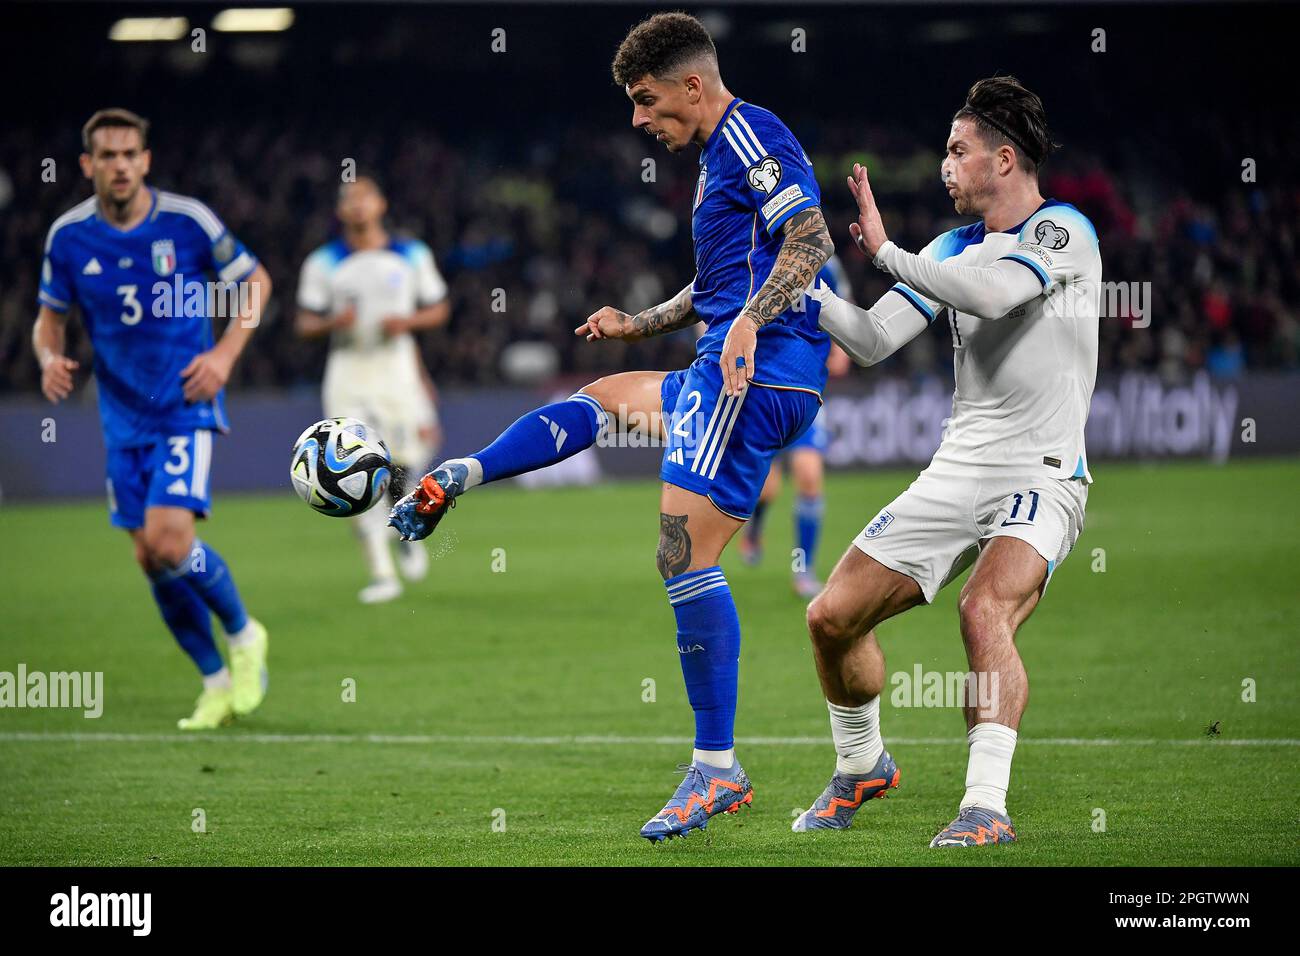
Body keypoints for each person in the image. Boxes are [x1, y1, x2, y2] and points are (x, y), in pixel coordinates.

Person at [388, 12, 834, 840]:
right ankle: (462, 474)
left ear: (691, 86)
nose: (637, 119)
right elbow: (713, 286)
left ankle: (717, 769)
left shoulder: (751, 137)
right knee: (603, 399)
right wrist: (643, 320)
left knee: (683, 553)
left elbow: (809, 239)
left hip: (756, 371)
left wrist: (747, 324)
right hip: (733, 364)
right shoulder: (718, 159)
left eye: (646, 100)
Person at [794, 76, 1100, 848]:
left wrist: (889, 251)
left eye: (958, 151)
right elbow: (868, 342)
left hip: (1042, 472)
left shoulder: (1063, 233)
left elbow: (1000, 296)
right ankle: (861, 764)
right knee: (831, 618)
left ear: (1004, 159)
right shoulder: (951, 247)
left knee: (982, 609)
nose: (945, 165)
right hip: (958, 469)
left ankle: (985, 807)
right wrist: (803, 289)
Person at [34, 108, 272, 729]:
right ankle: (214, 681)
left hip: (184, 405)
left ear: (146, 161)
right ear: (87, 166)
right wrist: (46, 356)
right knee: (149, 558)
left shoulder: (188, 223)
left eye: (129, 154)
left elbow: (256, 282)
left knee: (171, 541)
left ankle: (245, 636)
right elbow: (50, 316)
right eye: (107, 156)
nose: (119, 165)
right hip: (120, 416)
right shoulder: (68, 238)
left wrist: (223, 355)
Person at [296, 176, 451, 603]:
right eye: (349, 199)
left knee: (405, 463)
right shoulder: (323, 262)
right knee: (347, 468)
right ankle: (382, 574)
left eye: (364, 197)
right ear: (341, 210)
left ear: (380, 204)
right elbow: (304, 322)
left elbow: (439, 306)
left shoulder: (410, 254)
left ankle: (407, 533)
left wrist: (410, 323)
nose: (358, 206)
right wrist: (332, 323)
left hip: (397, 368)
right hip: (347, 371)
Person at [740, 256, 853, 598]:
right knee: (767, 488)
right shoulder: (753, 251)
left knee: (808, 477)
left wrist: (840, 347)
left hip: (804, 388)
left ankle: (802, 568)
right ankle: (755, 528)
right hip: (760, 389)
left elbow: (840, 303)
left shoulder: (823, 258)